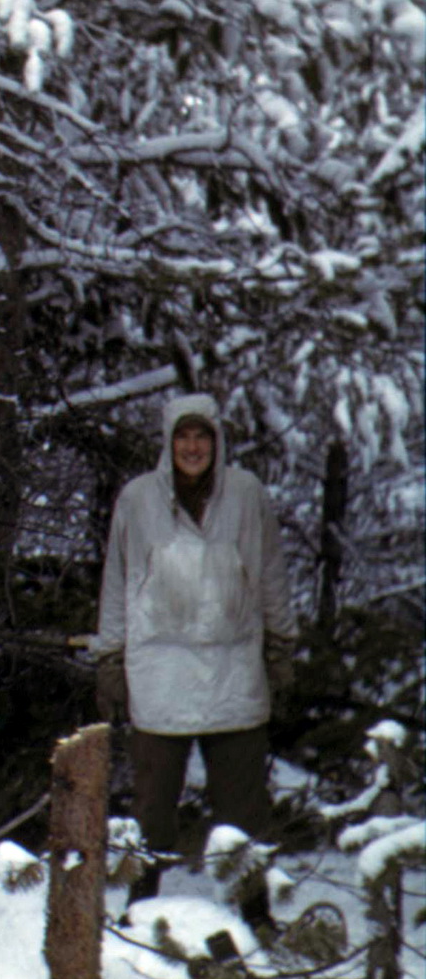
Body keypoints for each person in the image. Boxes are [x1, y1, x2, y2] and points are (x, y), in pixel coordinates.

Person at [93, 393, 296, 928]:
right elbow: (117, 581)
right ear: (168, 442)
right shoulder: (138, 499)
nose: (192, 447)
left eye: (201, 435)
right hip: (159, 674)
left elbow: (271, 572)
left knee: (243, 810)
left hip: (234, 672)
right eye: (182, 436)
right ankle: (140, 910)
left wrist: (281, 642)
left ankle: (255, 915)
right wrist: (109, 655)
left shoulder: (246, 494)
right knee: (152, 808)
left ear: (217, 440)